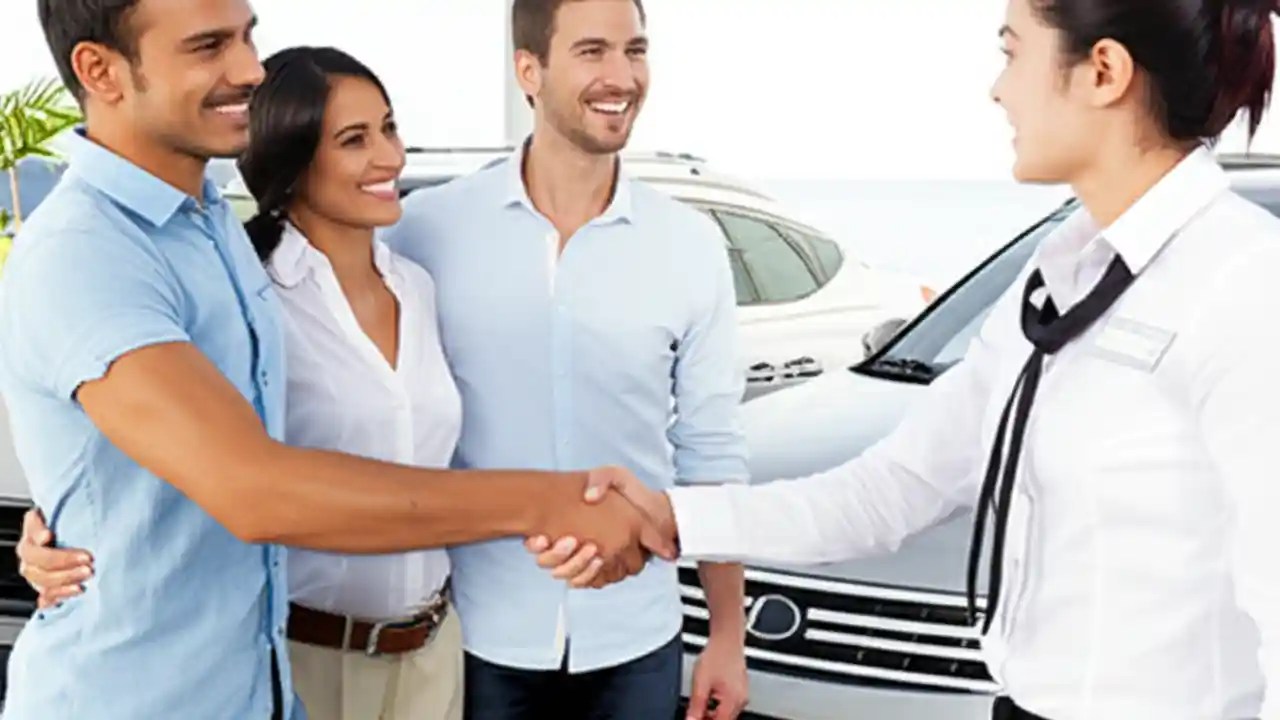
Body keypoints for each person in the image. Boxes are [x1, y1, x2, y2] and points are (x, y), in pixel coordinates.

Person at [533, 0, 1280, 718]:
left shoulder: (1243, 284)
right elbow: (893, 490)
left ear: (1103, 72)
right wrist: (671, 516)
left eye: (1012, 51)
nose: (998, 90)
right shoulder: (1058, 275)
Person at [0, 1, 668, 718]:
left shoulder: (210, 228)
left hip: (266, 689)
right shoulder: (86, 252)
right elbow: (254, 489)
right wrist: (550, 499)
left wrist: (78, 504)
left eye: (249, 36)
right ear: (99, 70)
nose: (250, 69)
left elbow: (168, 454)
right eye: (208, 46)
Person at [376, 1, 751, 718]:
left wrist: (727, 636)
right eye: (592, 51)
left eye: (635, 50)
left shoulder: (691, 245)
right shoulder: (425, 231)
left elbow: (712, 452)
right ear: (529, 70)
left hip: (637, 638)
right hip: (473, 634)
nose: (621, 76)